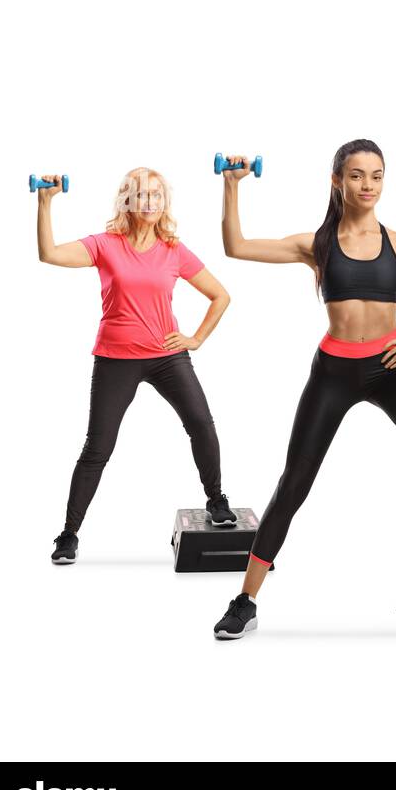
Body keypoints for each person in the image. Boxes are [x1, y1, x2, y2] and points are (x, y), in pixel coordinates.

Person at [212, 139, 396, 640]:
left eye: (376, 175)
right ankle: (246, 599)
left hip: (389, 366)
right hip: (334, 370)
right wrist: (231, 187)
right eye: (356, 176)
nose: (367, 185)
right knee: (294, 484)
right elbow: (236, 246)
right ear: (337, 181)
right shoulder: (317, 244)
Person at [39, 168, 237, 564]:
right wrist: (44, 203)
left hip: (167, 355)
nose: (150, 202)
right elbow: (50, 254)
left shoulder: (174, 250)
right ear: (127, 201)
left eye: (157, 195)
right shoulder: (104, 244)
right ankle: (68, 534)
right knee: (98, 447)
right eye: (142, 195)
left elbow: (221, 296)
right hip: (116, 358)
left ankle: (216, 500)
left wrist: (195, 339)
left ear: (165, 202)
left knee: (201, 422)